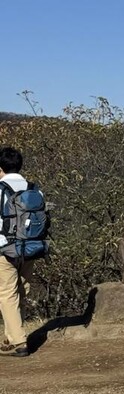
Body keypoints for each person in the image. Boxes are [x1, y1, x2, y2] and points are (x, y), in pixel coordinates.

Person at [0, 146, 32, 357]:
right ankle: (10, 336)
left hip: (4, 248)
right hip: (29, 248)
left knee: (6, 294)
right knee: (22, 290)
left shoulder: (1, 188)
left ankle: (19, 342)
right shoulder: (32, 187)